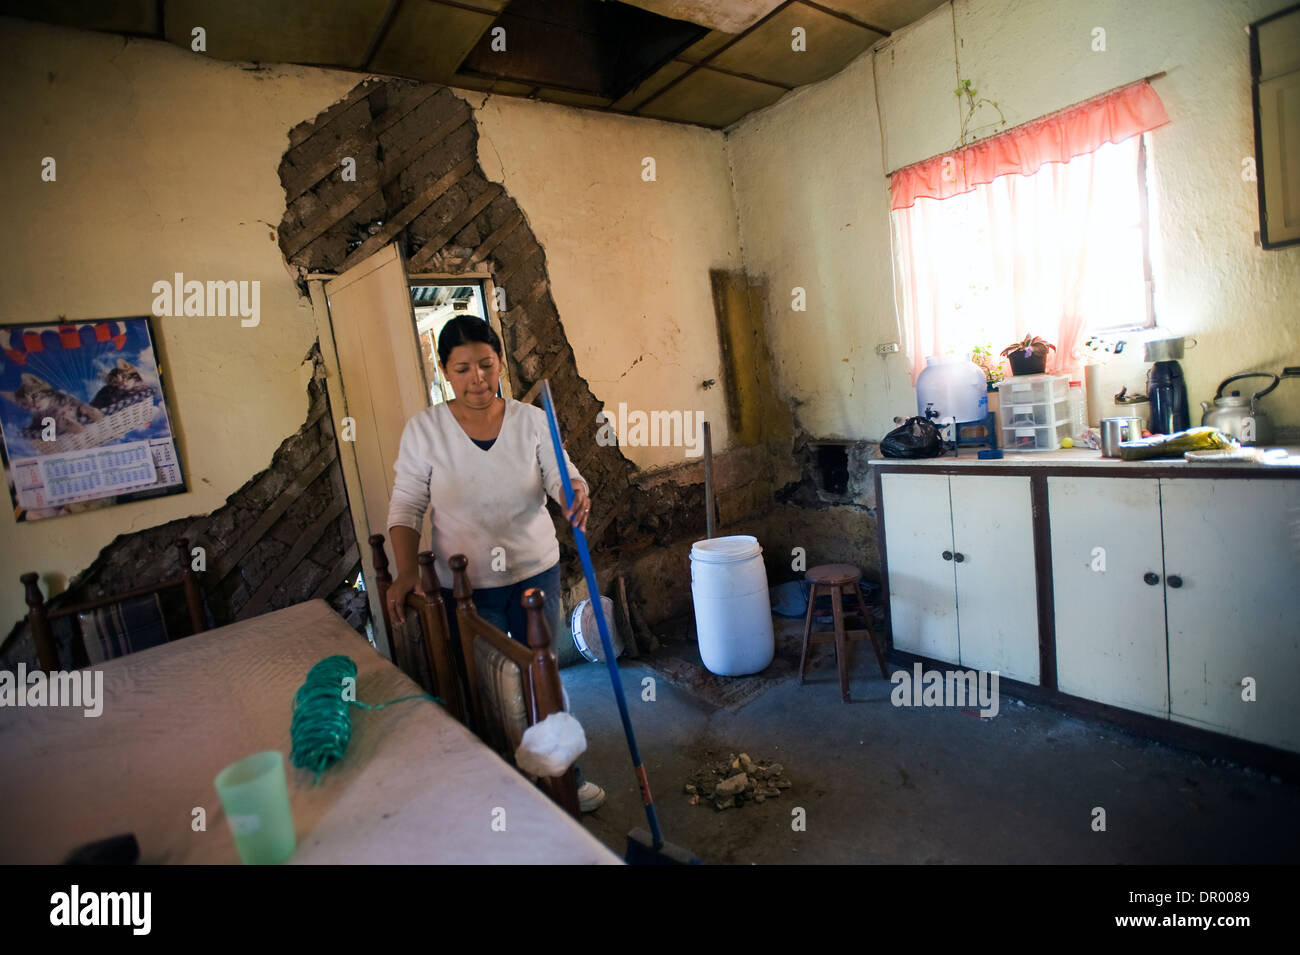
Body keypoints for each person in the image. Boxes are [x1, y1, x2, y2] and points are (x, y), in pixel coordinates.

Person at [384, 315, 605, 812]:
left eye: (486, 364)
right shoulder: (425, 431)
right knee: (495, 691)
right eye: (462, 369)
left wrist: (574, 495)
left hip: (536, 574)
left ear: (501, 362)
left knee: (543, 680)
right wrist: (403, 572)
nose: (477, 378)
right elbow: (405, 506)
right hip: (468, 591)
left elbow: (560, 474)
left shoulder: (530, 420)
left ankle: (564, 777)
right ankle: (514, 789)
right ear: (444, 371)